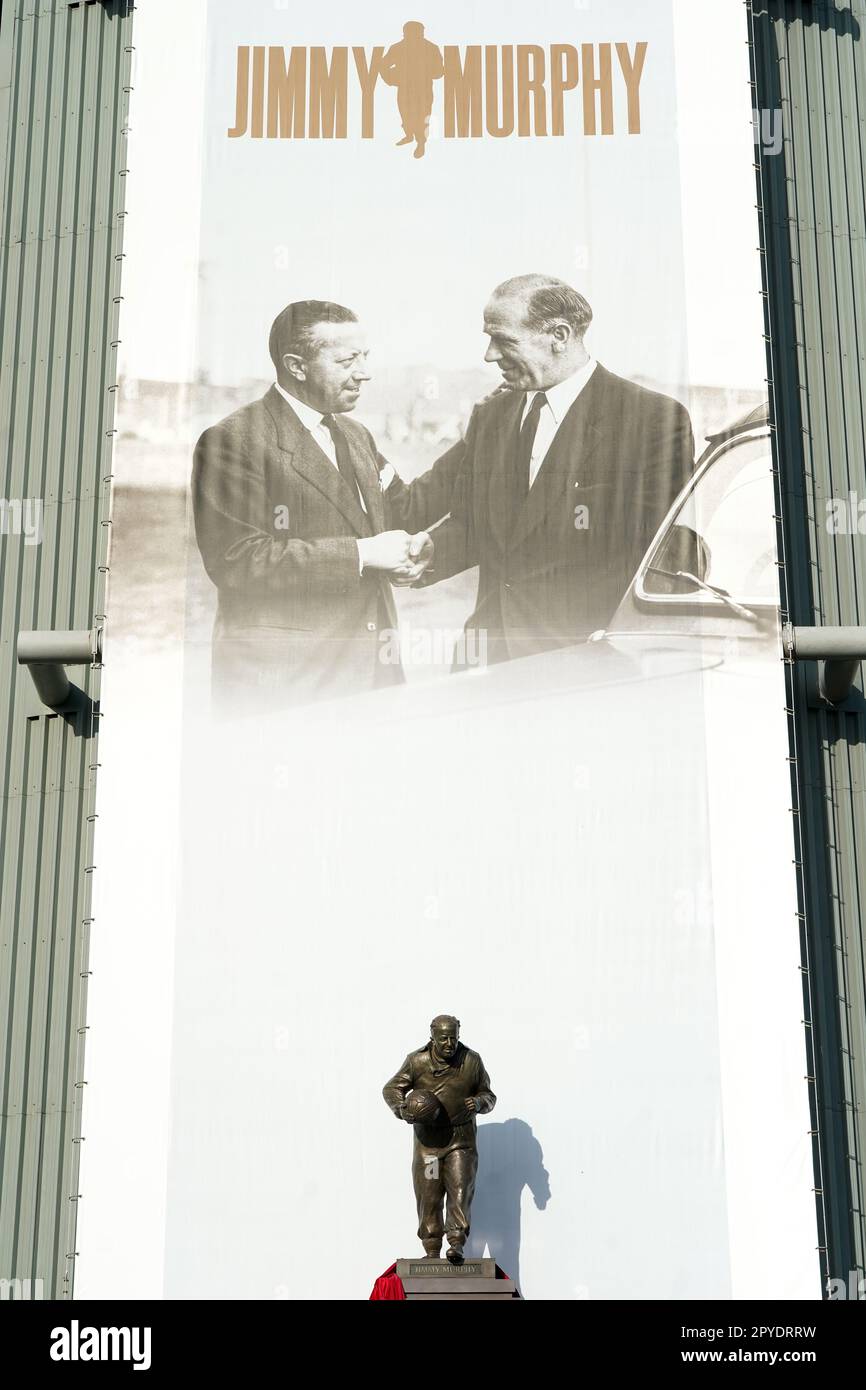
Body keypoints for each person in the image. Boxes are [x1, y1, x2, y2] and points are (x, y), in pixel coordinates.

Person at [389, 274, 696, 666]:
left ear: (559, 334)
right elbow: (475, 525)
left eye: (503, 340)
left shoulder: (653, 419)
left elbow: (668, 554)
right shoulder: (491, 415)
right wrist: (434, 551)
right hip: (485, 662)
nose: (489, 355)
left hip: (587, 667)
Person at [192, 300, 430, 710]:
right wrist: (364, 554)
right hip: (287, 687)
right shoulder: (233, 440)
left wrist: (480, 434)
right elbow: (238, 560)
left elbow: (403, 510)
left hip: (372, 677)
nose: (364, 372)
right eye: (347, 360)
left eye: (365, 357)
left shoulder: (356, 435)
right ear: (296, 366)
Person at [383, 1015, 496, 1264]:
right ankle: (432, 1248)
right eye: (443, 1038)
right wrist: (402, 1109)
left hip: (460, 1142)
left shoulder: (472, 1061)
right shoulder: (417, 1061)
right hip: (430, 1146)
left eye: (453, 1037)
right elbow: (391, 1088)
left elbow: (488, 1095)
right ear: (432, 1036)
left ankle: (456, 1243)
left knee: (459, 1188)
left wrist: (478, 1102)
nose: (449, 1043)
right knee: (429, 1194)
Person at [380, 21, 445, 160]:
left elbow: (439, 71)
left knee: (423, 115)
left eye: (417, 33)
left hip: (424, 88)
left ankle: (421, 142)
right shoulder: (398, 48)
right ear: (405, 33)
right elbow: (383, 65)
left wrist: (426, 72)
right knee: (406, 113)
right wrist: (392, 78)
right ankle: (410, 135)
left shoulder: (431, 48)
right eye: (411, 33)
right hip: (406, 88)